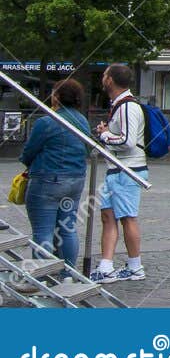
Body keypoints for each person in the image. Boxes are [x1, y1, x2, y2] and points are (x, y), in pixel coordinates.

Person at [18, 78, 90, 269]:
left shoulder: (46, 121)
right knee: (67, 229)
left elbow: (28, 152)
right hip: (75, 180)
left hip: (47, 180)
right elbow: (87, 150)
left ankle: (43, 276)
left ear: (56, 97)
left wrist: (28, 162)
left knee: (43, 231)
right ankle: (68, 275)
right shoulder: (82, 121)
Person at [91, 64, 146, 282]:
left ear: (110, 80)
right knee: (109, 216)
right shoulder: (120, 105)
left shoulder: (127, 107)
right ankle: (106, 267)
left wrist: (105, 135)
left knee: (127, 218)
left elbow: (127, 141)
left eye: (105, 75)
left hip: (128, 169)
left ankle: (135, 267)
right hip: (117, 169)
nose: (103, 78)